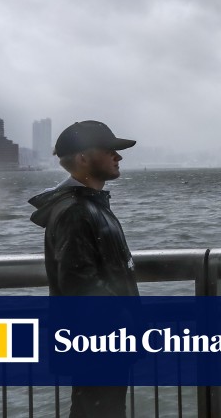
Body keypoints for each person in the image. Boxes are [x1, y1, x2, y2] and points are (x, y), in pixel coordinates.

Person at [29, 120, 139, 418]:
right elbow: (78, 281)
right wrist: (122, 317)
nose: (118, 157)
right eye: (109, 150)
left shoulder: (88, 205)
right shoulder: (77, 211)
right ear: (82, 158)